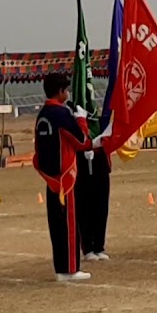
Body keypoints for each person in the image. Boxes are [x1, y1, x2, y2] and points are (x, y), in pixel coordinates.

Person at [32, 72, 100, 282]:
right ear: (60, 91)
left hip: (50, 177)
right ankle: (71, 268)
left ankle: (61, 267)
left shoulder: (42, 114)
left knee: (57, 225)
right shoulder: (60, 114)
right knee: (69, 224)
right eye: (66, 90)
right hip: (65, 179)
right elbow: (81, 140)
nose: (68, 93)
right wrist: (81, 120)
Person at [76, 135, 112, 262]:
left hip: (100, 157)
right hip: (80, 159)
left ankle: (99, 246)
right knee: (84, 206)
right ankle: (87, 247)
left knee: (101, 206)